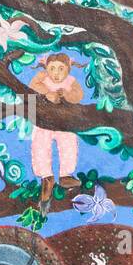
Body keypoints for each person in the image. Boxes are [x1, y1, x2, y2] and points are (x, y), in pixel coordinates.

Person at [27, 53, 85, 208]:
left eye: (61, 68)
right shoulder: (42, 78)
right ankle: (46, 176)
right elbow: (32, 86)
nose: (56, 73)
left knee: (68, 146)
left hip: (64, 123)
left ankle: (66, 174)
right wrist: (47, 93)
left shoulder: (71, 81)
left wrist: (64, 93)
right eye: (52, 68)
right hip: (43, 121)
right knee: (40, 147)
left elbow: (78, 95)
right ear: (46, 68)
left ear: (68, 69)